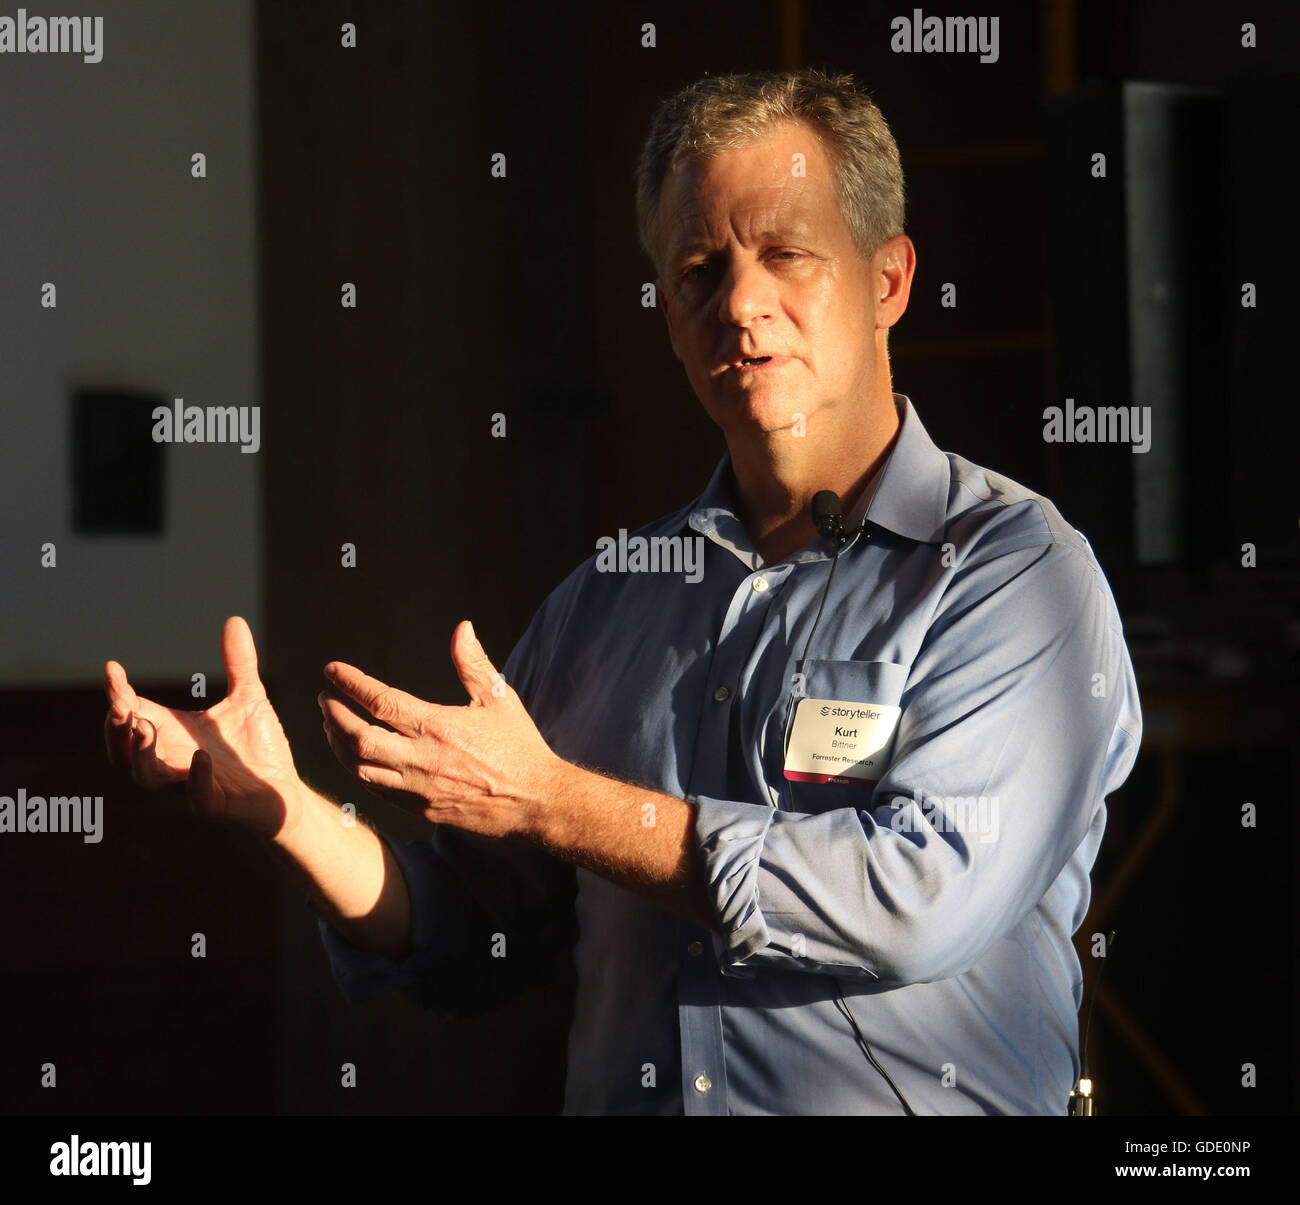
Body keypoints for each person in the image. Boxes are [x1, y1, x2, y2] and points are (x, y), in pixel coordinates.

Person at [103, 67, 1142, 1115]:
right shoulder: (608, 600)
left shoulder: (1018, 576)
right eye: (698, 269)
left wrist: (556, 799)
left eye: (784, 252)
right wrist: (291, 812)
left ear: (887, 280)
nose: (739, 303)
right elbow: (476, 931)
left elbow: (917, 899)